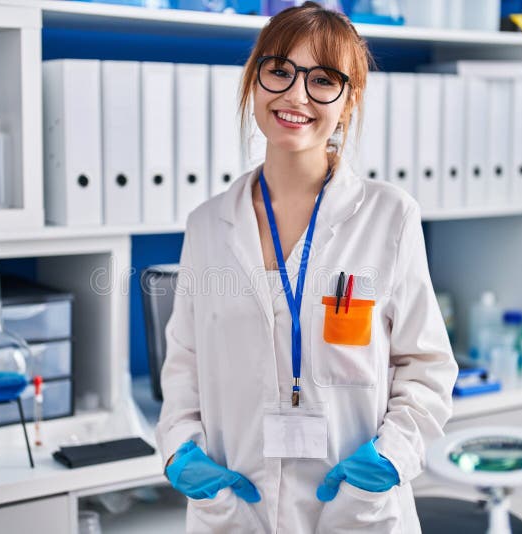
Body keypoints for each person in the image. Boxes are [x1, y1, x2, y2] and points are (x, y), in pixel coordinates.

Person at [155, 2, 458, 532]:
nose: (295, 95)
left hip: (355, 514)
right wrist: (180, 449)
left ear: (349, 99)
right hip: (235, 509)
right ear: (254, 81)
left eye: (323, 79)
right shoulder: (207, 225)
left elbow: (427, 367)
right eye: (279, 71)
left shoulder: (389, 217)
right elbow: (184, 363)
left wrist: (389, 458)